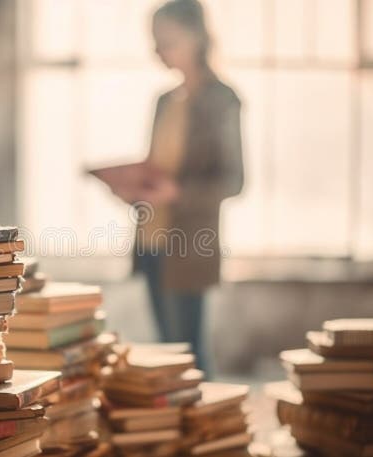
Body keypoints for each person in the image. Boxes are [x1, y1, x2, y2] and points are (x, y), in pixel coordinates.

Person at [133, 0, 244, 375]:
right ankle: (177, 432)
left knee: (190, 359)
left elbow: (234, 180)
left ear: (196, 38)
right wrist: (132, 186)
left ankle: (205, 430)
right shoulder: (163, 101)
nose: (158, 50)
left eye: (167, 40)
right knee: (167, 359)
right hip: (149, 241)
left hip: (188, 245)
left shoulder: (221, 100)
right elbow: (155, 171)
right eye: (154, 41)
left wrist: (176, 193)